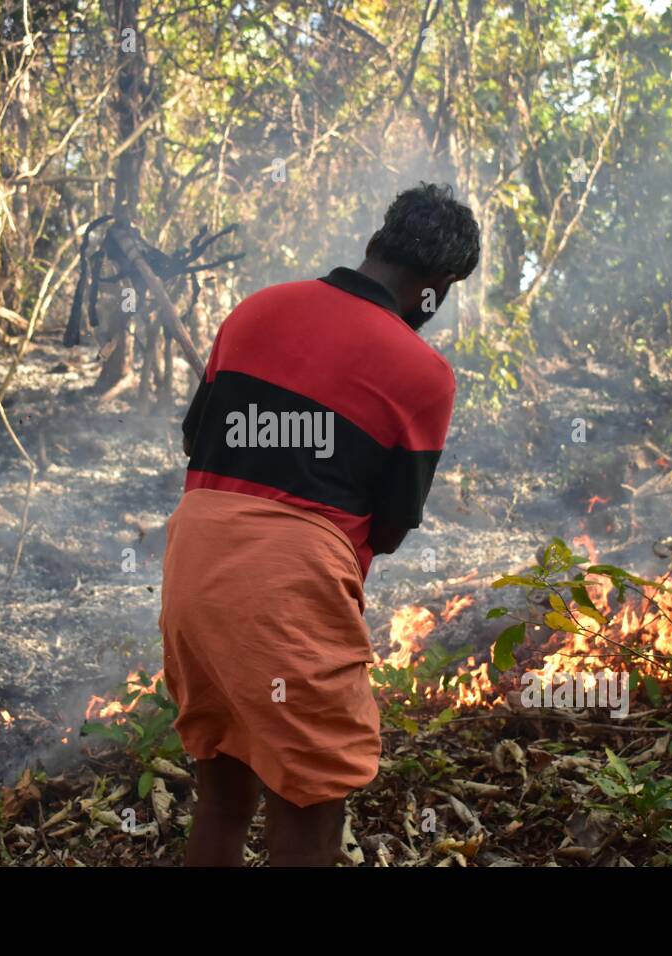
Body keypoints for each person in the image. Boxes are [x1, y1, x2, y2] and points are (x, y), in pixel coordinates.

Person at [159, 182, 480, 866]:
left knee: (220, 803)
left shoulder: (255, 310)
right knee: (309, 814)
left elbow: (198, 442)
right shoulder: (424, 373)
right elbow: (391, 528)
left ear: (373, 244)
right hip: (289, 586)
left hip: (193, 563)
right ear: (439, 288)